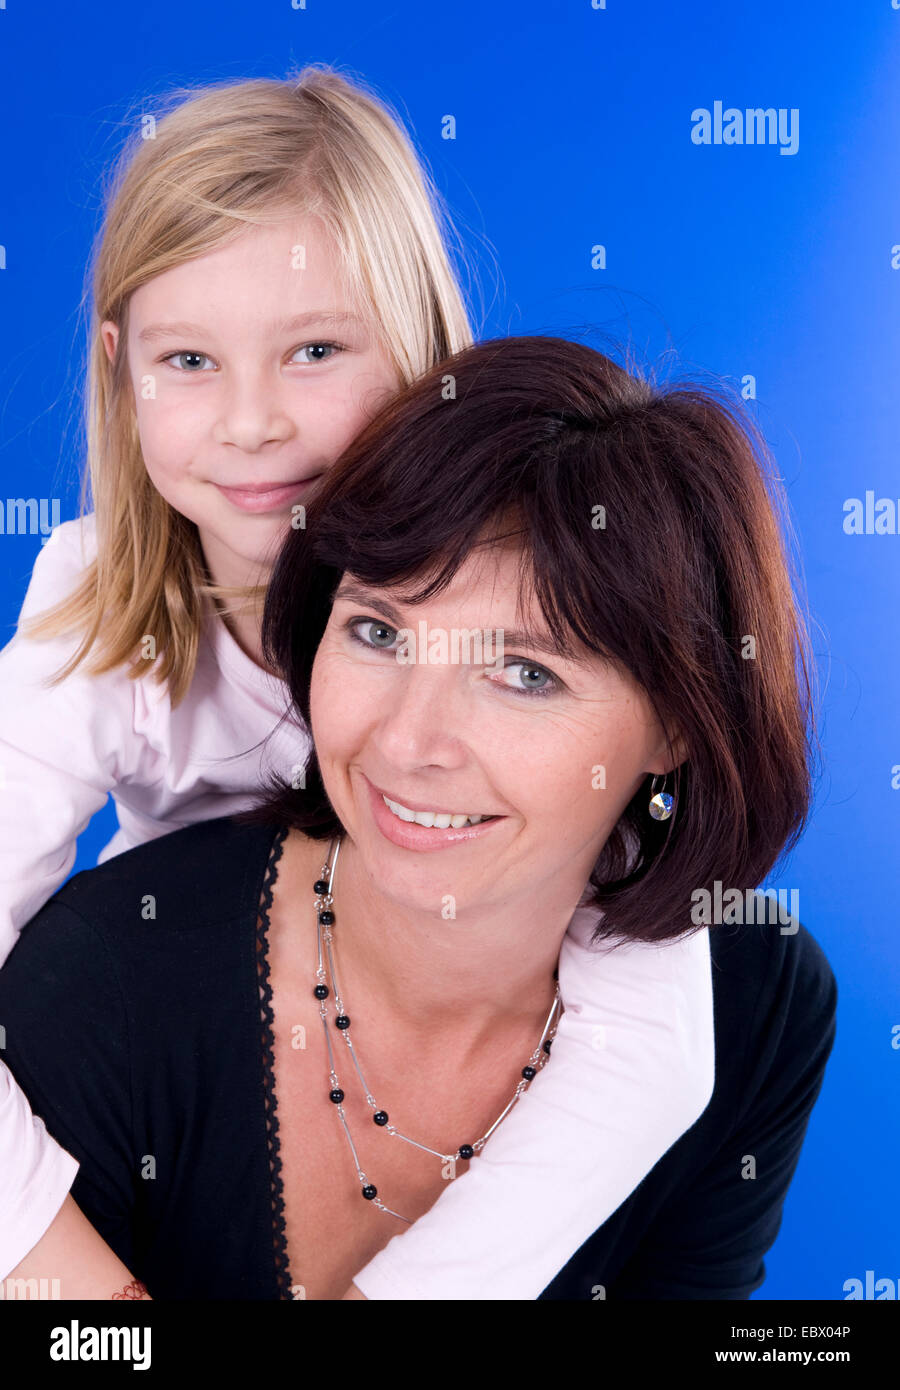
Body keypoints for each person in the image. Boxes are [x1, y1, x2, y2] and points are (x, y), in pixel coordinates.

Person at [0, 71, 714, 1300]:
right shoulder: (94, 608)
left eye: (316, 349)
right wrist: (77, 1286)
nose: (253, 424)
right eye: (189, 360)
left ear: (428, 346)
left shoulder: (537, 574)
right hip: (186, 1069)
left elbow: (654, 1038)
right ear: (119, 367)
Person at [0, 335, 836, 1300]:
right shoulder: (105, 983)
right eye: (377, 630)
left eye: (526, 674)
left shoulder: (759, 1011)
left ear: (678, 729)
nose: (409, 742)